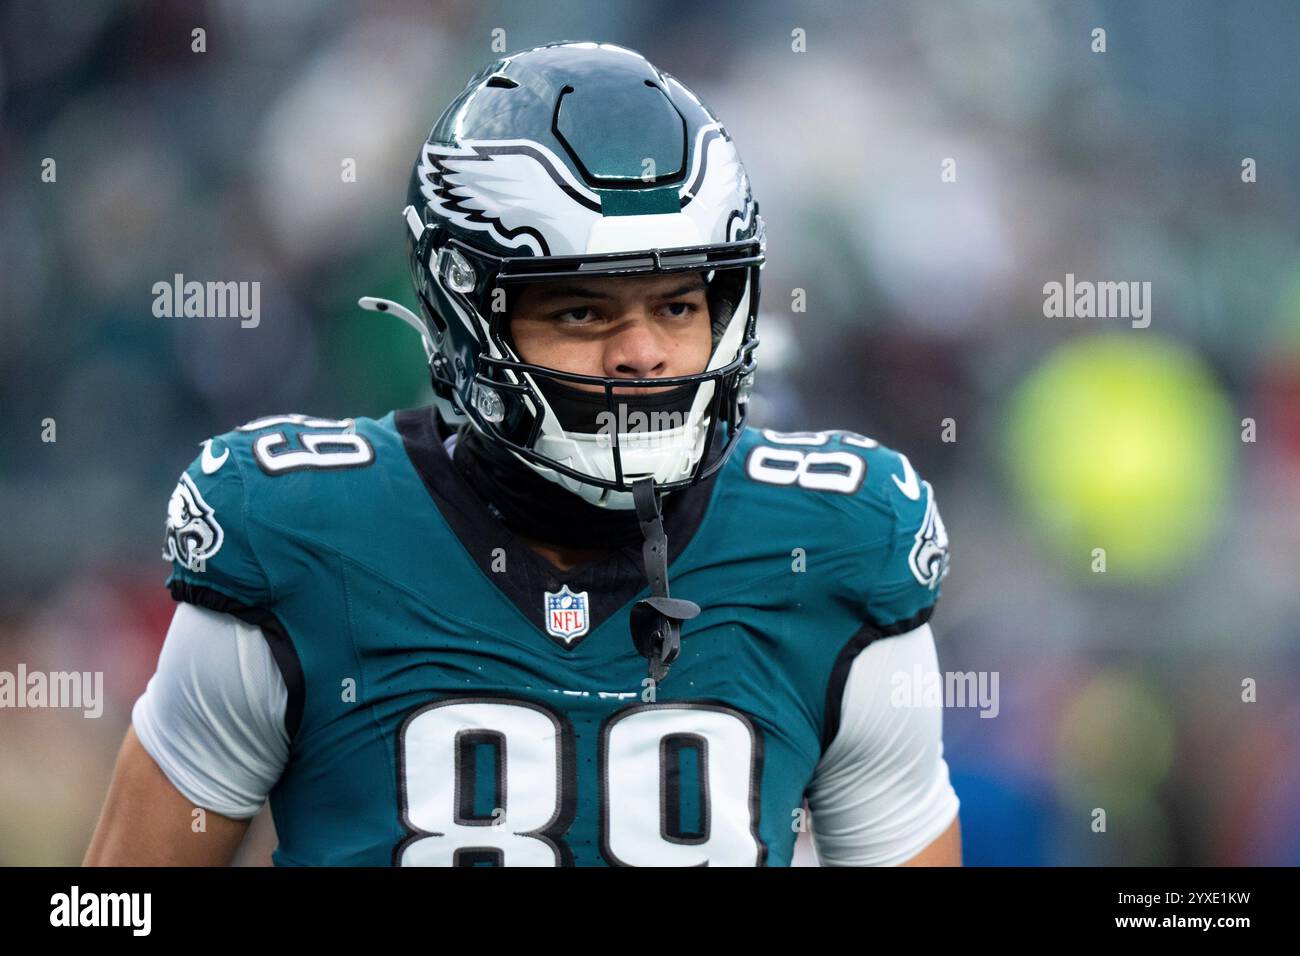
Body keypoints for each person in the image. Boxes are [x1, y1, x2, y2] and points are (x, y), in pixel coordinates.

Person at [85, 40, 959, 867]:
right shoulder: (301, 539)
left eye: (678, 307)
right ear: (463, 318)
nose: (642, 356)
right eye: (582, 312)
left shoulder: (836, 549)